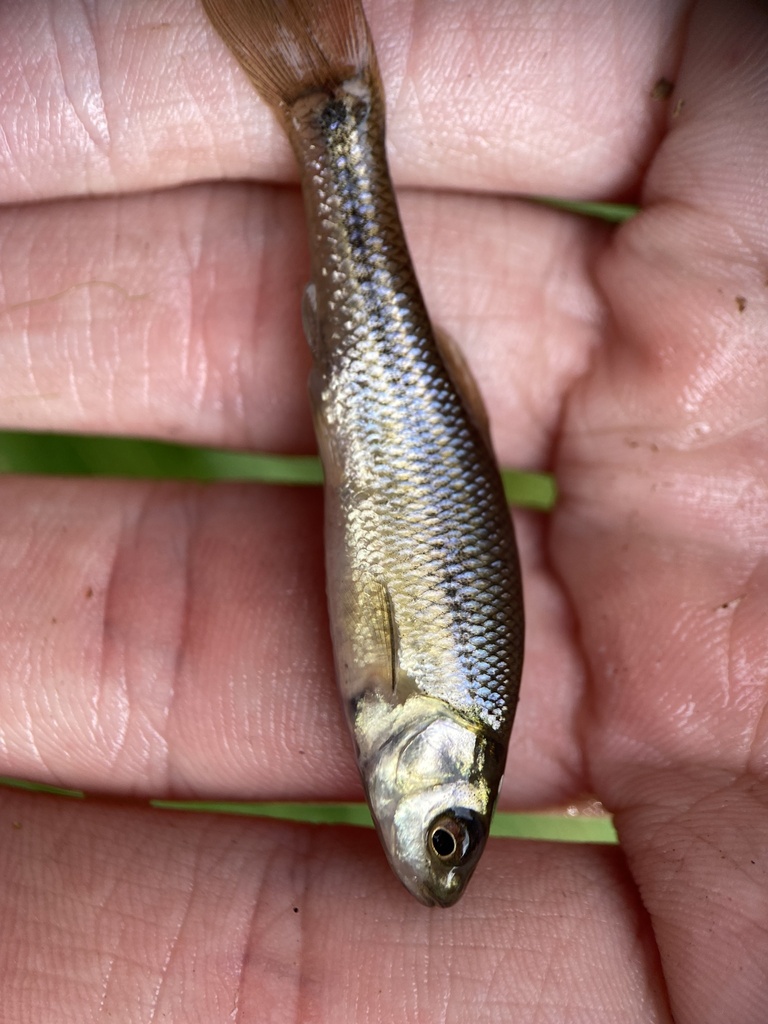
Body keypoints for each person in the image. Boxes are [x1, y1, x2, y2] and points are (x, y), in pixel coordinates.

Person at [0, 0, 765, 1020]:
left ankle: (335, 122)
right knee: (341, 174)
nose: (427, 846)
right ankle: (335, 121)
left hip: (395, 435)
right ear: (451, 756)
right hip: (395, 432)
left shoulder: (444, 704)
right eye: (446, 832)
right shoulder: (434, 694)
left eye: (447, 841)